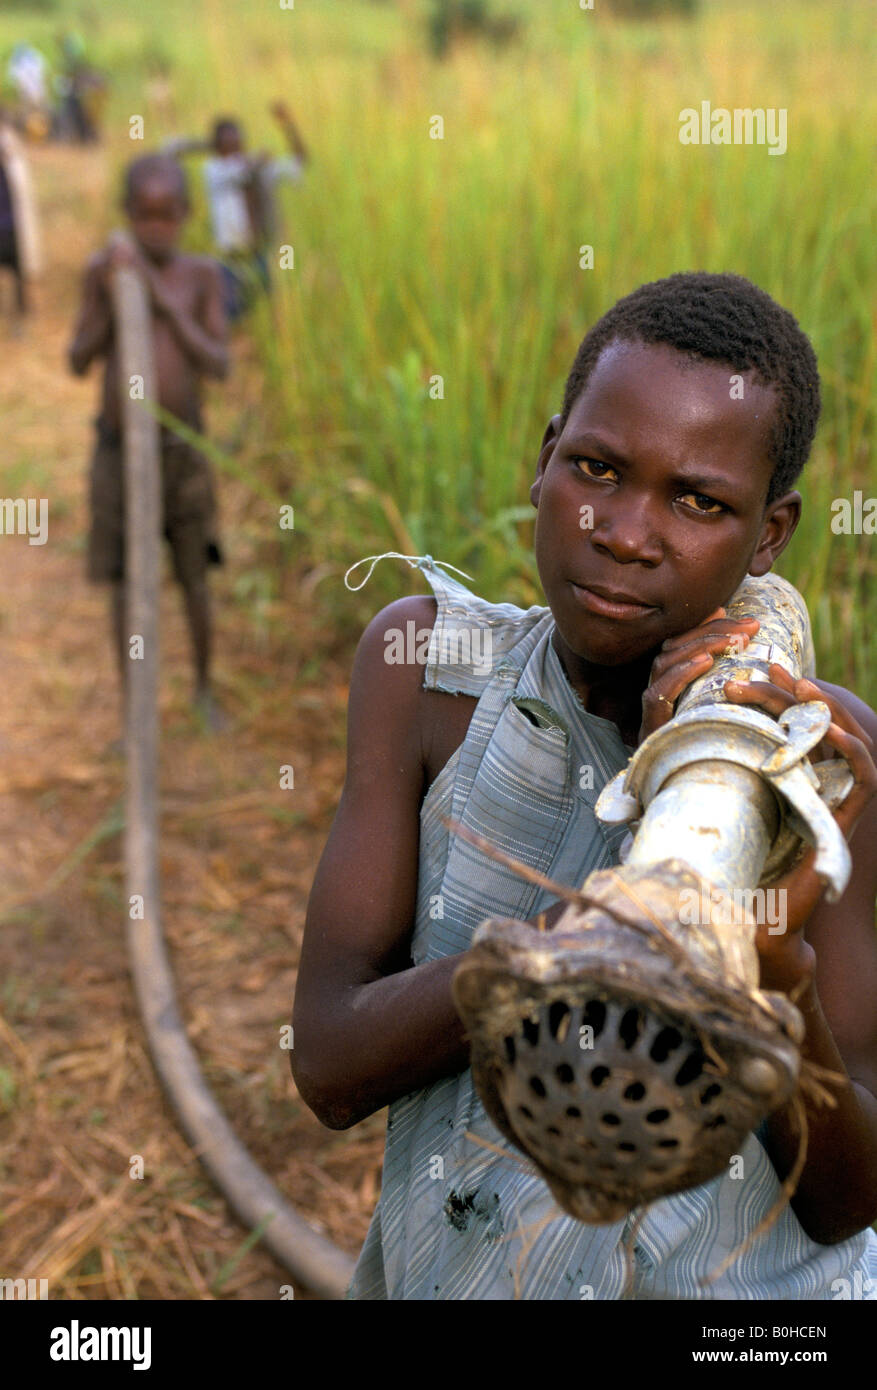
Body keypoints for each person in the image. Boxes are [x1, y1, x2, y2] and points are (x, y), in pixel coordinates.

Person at [291, 272, 877, 1299]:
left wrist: (772, 964)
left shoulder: (825, 756)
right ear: (544, 457)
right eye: (598, 468)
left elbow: (844, 1199)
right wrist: (574, 943)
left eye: (699, 501)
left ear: (769, 534)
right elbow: (329, 1063)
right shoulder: (425, 673)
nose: (624, 531)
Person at [69, 153, 229, 733]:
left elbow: (219, 363)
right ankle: (134, 705)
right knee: (123, 583)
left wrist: (162, 303)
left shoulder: (201, 276)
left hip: (181, 456)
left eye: (167, 216)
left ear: (186, 213)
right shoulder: (104, 271)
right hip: (117, 454)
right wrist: (114, 303)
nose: (156, 227)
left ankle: (205, 690)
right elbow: (76, 359)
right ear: (127, 214)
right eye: (144, 216)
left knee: (193, 576)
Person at [201, 102, 308, 319]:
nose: (234, 147)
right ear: (217, 146)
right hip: (233, 255)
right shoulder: (214, 170)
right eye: (228, 142)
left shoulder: (258, 168)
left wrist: (289, 126)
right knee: (233, 310)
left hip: (262, 252)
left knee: (272, 305)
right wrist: (258, 161)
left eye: (237, 141)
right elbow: (240, 172)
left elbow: (299, 162)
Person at [0, 108, 41, 320]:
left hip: (11, 225)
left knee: (18, 271)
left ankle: (20, 313)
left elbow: (22, 186)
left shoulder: (10, 146)